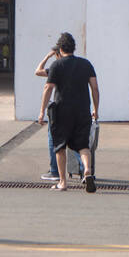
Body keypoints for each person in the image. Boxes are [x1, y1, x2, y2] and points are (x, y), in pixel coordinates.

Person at [37, 32, 99, 193]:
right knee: (83, 145)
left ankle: (63, 182)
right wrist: (96, 109)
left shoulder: (57, 65)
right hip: (82, 110)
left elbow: (48, 88)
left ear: (60, 48)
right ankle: (87, 171)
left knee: (60, 146)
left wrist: (42, 111)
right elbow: (95, 88)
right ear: (73, 47)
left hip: (61, 111)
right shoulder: (86, 64)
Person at [34, 46, 81, 182]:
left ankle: (55, 171)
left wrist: (47, 57)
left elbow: (37, 72)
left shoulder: (55, 68)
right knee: (77, 141)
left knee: (55, 141)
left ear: (58, 53)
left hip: (59, 109)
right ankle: (85, 168)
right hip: (75, 108)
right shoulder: (77, 67)